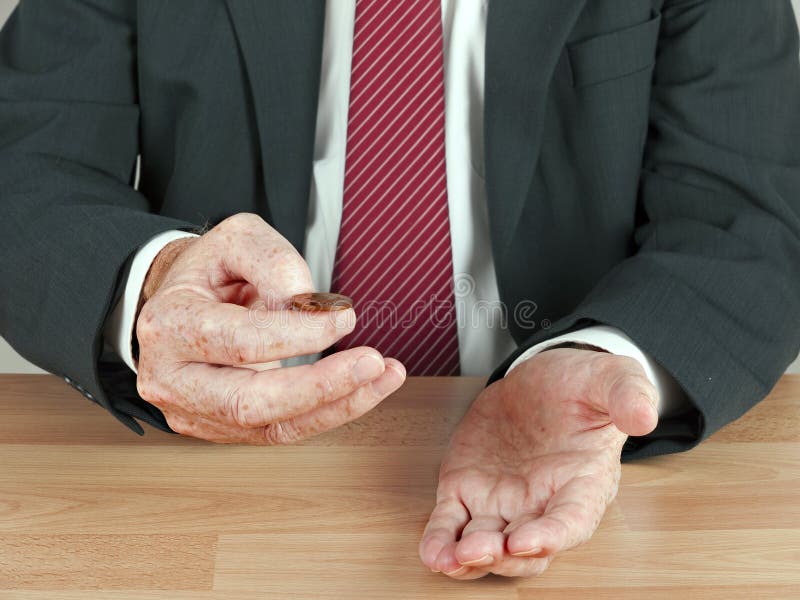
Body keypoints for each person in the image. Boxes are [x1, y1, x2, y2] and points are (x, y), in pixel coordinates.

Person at [1, 0, 799, 580]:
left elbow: (757, 215)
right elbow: (25, 168)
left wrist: (603, 357)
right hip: (207, 486)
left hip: (577, 490)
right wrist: (150, 293)